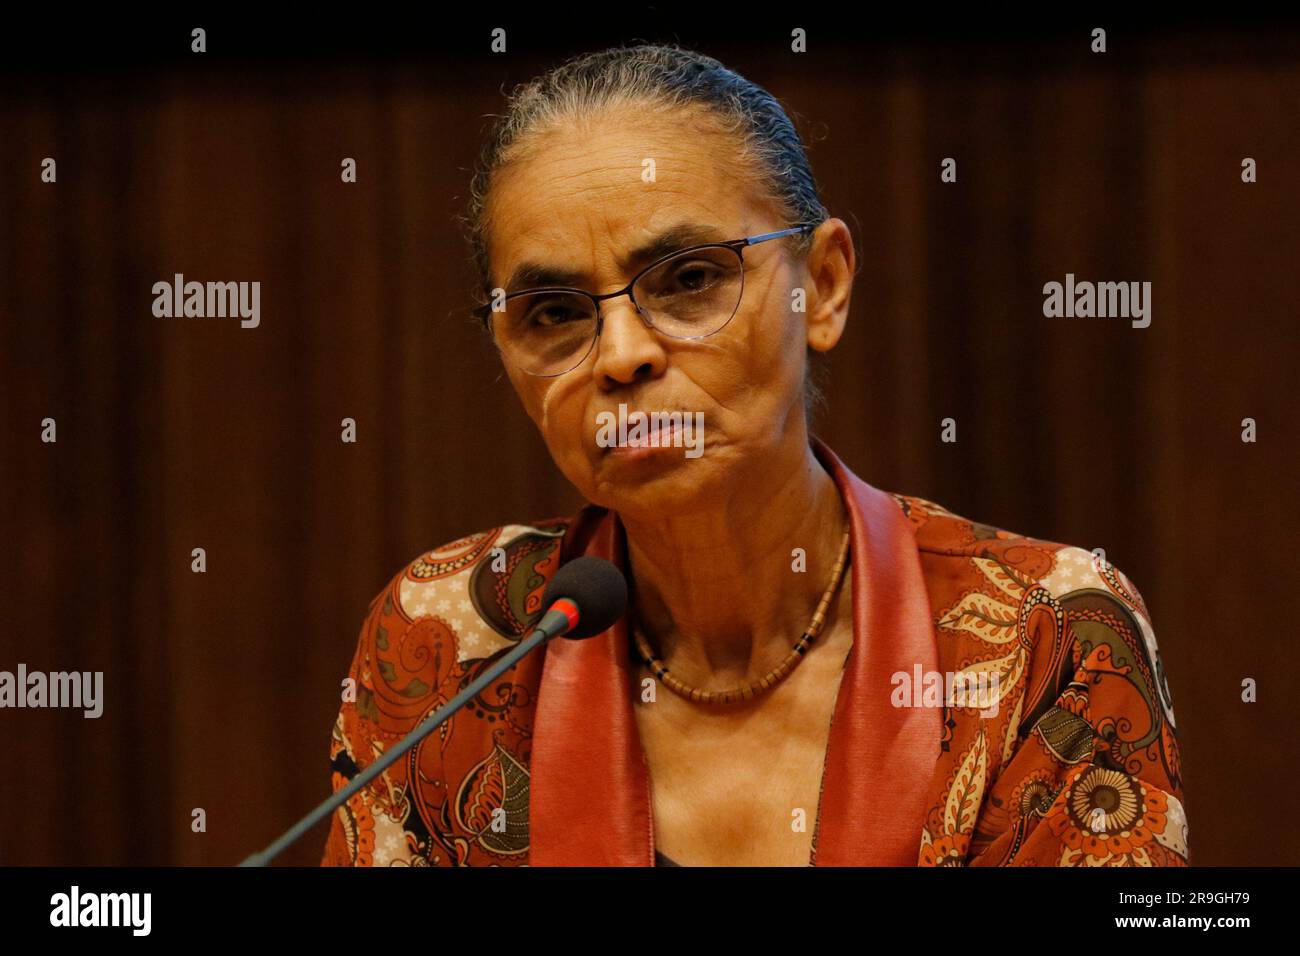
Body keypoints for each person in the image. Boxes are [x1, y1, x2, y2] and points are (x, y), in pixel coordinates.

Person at [321, 43, 1187, 867]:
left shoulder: (1048, 634)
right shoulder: (454, 643)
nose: (621, 356)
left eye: (690, 279)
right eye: (555, 313)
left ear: (825, 286)